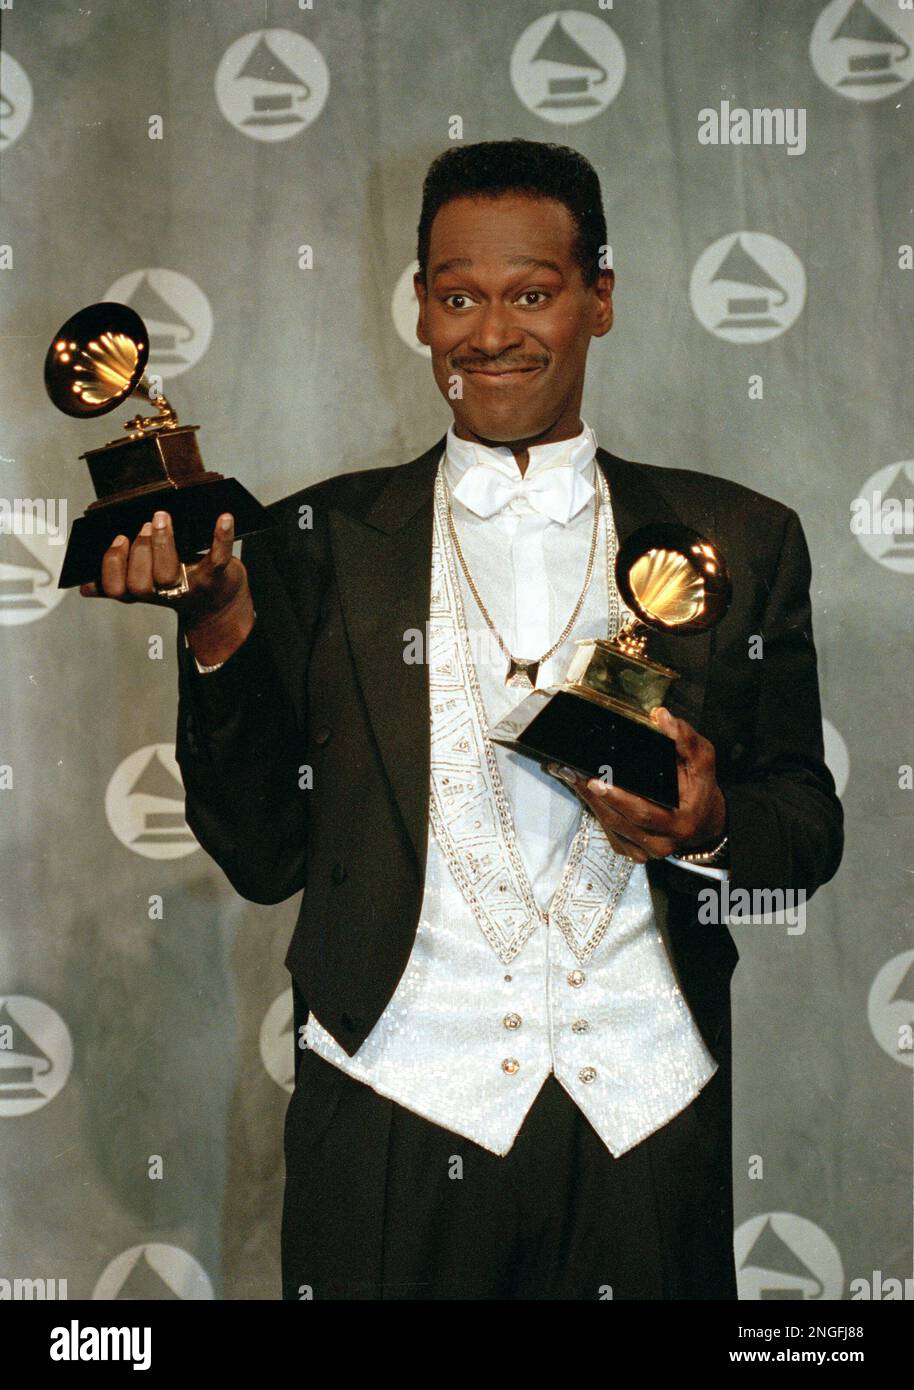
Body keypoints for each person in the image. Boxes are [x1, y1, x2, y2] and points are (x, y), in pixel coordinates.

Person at [80, 139, 843, 1300]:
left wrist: (712, 817)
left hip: (645, 1114)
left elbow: (806, 827)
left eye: (531, 292)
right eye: (457, 296)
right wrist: (219, 631)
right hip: (391, 1109)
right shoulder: (310, 543)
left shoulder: (736, 539)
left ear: (599, 299)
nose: (491, 333)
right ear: (423, 313)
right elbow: (262, 851)